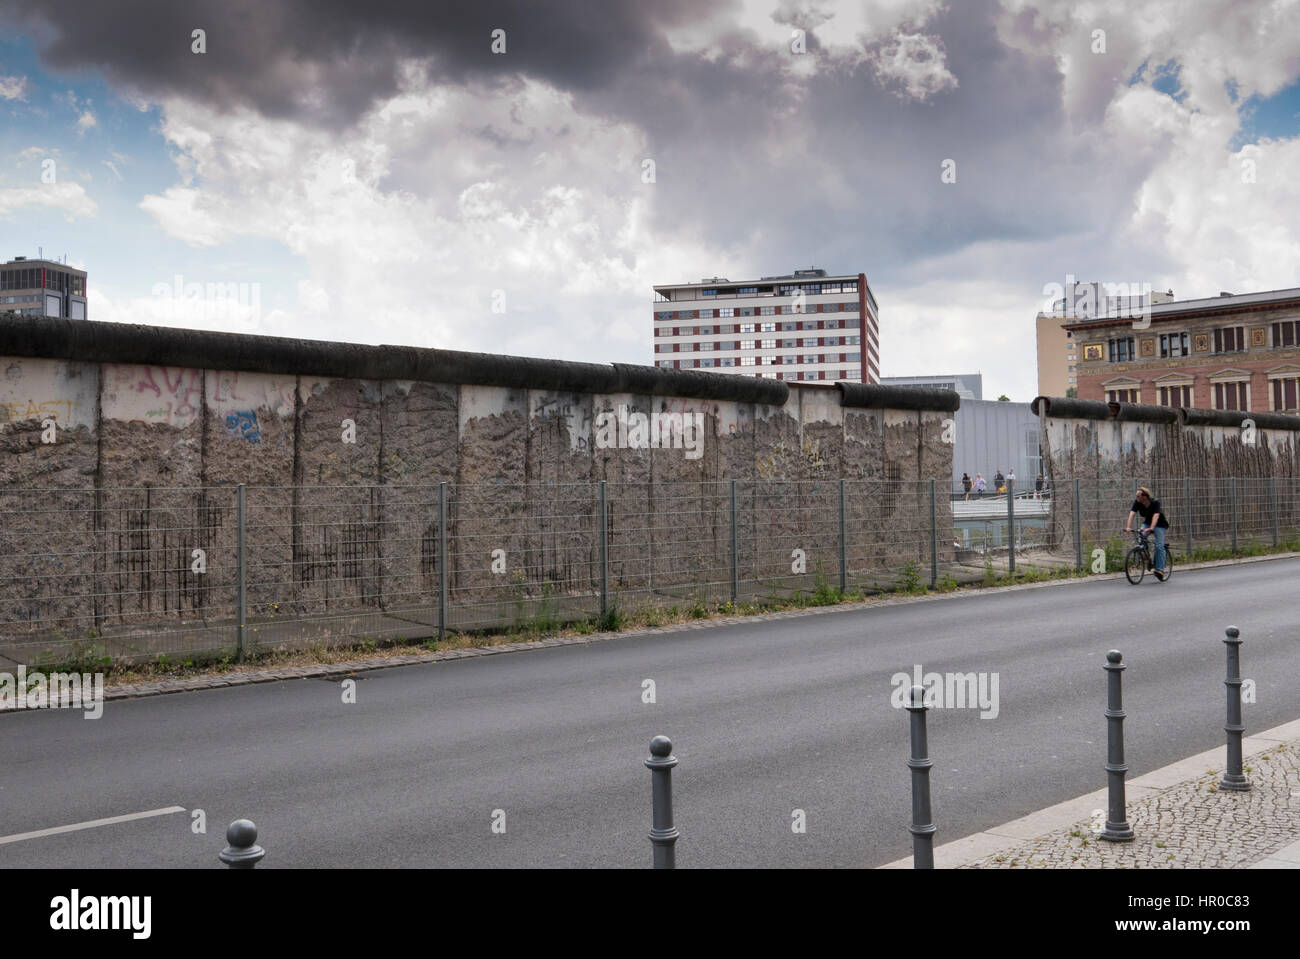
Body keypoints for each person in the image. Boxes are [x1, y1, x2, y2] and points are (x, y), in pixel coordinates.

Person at [1125, 486, 1170, 580]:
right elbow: (1132, 513)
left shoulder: (1155, 502)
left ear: (1144, 497)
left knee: (1159, 546)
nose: (1136, 497)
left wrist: (1151, 528)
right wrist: (1128, 527)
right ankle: (1147, 555)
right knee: (1140, 536)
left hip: (1159, 524)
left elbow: (1156, 516)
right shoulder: (1137, 502)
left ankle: (1160, 570)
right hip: (1147, 523)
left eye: (1138, 496)